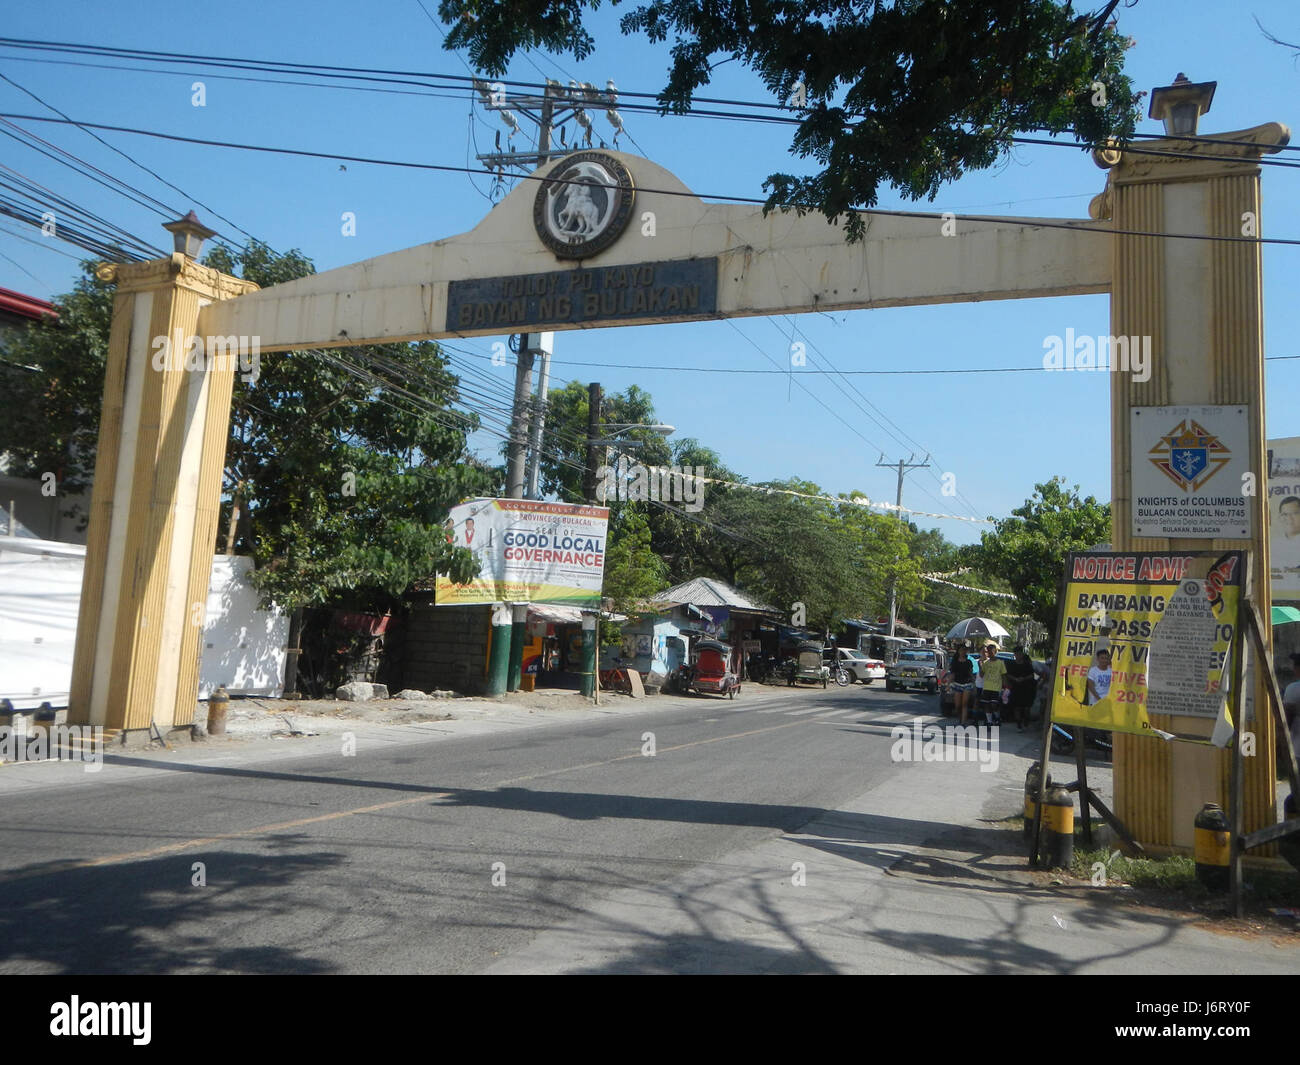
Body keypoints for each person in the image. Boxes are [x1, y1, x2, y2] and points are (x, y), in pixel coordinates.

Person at [1005, 646, 1037, 732]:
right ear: (1014, 655)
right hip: (1015, 688)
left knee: (1026, 708)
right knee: (1017, 707)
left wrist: (1024, 678)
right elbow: (1007, 674)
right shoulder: (1011, 664)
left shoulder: (1027, 664)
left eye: (1020, 653)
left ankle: (1026, 721)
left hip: (1026, 688)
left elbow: (1032, 675)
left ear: (1022, 654)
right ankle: (1018, 725)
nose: (1018, 655)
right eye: (1016, 654)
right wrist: (1014, 679)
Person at [979, 643, 1007, 726]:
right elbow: (981, 675)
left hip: (996, 687)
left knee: (994, 705)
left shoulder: (1000, 663)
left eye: (991, 652)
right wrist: (981, 666)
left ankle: (997, 717)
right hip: (987, 686)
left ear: (995, 652)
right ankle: (989, 721)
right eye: (988, 652)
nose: (989, 654)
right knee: (987, 705)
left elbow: (1003, 674)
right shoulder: (986, 663)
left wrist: (1005, 687)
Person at [950, 645, 976, 726]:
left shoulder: (969, 662)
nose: (963, 652)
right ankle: (960, 718)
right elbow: (952, 674)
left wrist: (974, 684)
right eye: (961, 650)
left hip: (967, 684)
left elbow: (971, 674)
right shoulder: (955, 662)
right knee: (958, 705)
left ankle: (963, 722)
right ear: (958, 651)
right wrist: (948, 684)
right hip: (957, 684)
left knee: (965, 704)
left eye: (964, 650)